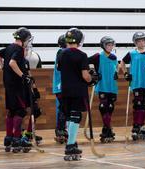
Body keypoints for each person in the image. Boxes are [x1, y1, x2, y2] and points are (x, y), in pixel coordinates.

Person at [0, 27, 34, 153]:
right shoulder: (19, 49)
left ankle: (8, 138)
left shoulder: (9, 47)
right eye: (27, 40)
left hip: (9, 84)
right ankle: (16, 138)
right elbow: (12, 63)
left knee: (11, 111)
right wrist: (23, 75)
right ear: (23, 40)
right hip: (17, 85)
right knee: (20, 111)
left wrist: (2, 67)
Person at [57, 28, 91, 161]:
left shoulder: (61, 54)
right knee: (76, 116)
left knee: (70, 116)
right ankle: (70, 144)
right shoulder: (82, 55)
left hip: (65, 90)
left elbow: (61, 69)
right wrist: (91, 78)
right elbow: (85, 75)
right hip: (78, 89)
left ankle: (72, 141)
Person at [120, 32, 145, 140]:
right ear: (135, 42)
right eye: (138, 41)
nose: (141, 43)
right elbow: (122, 62)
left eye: (143, 41)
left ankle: (141, 125)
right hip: (136, 83)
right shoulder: (132, 53)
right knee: (138, 103)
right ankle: (136, 125)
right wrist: (126, 73)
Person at [88, 36, 118, 143]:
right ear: (103, 46)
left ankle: (107, 128)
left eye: (111, 45)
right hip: (102, 85)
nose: (110, 47)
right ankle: (107, 128)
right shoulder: (98, 56)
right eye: (108, 45)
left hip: (112, 86)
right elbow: (85, 62)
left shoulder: (114, 57)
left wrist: (117, 75)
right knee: (103, 106)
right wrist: (93, 72)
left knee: (110, 107)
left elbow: (115, 70)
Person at [53, 34, 68, 144]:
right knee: (63, 109)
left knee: (63, 109)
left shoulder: (62, 52)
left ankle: (61, 130)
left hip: (61, 85)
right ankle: (60, 130)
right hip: (61, 85)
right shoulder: (62, 52)